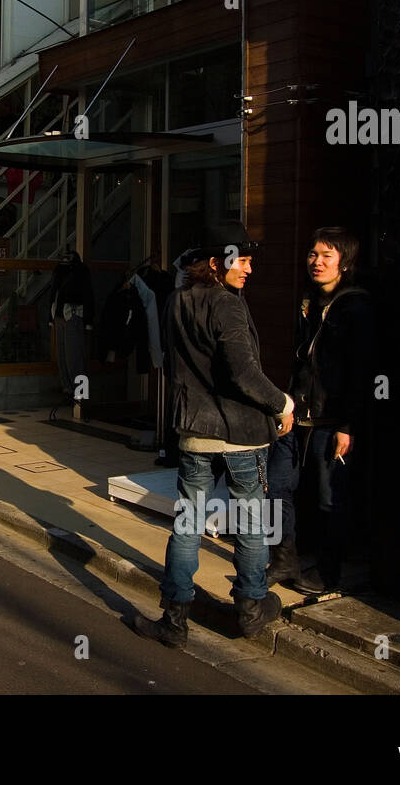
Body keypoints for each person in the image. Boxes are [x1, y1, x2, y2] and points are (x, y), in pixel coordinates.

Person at [134, 223, 294, 649]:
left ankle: (174, 619)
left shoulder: (176, 300)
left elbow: (174, 362)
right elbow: (243, 373)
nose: (249, 268)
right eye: (241, 260)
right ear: (215, 263)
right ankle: (250, 607)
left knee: (187, 524)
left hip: (195, 431)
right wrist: (283, 404)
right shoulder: (228, 306)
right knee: (251, 523)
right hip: (241, 434)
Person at [266, 227, 373, 595]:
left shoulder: (356, 306)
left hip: (332, 421)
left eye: (327, 256)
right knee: (278, 487)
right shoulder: (308, 302)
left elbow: (360, 372)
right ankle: (283, 559)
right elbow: (299, 363)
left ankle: (329, 572)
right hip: (298, 414)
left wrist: (348, 425)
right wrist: (287, 405)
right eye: (313, 254)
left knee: (332, 499)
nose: (317, 262)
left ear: (344, 263)